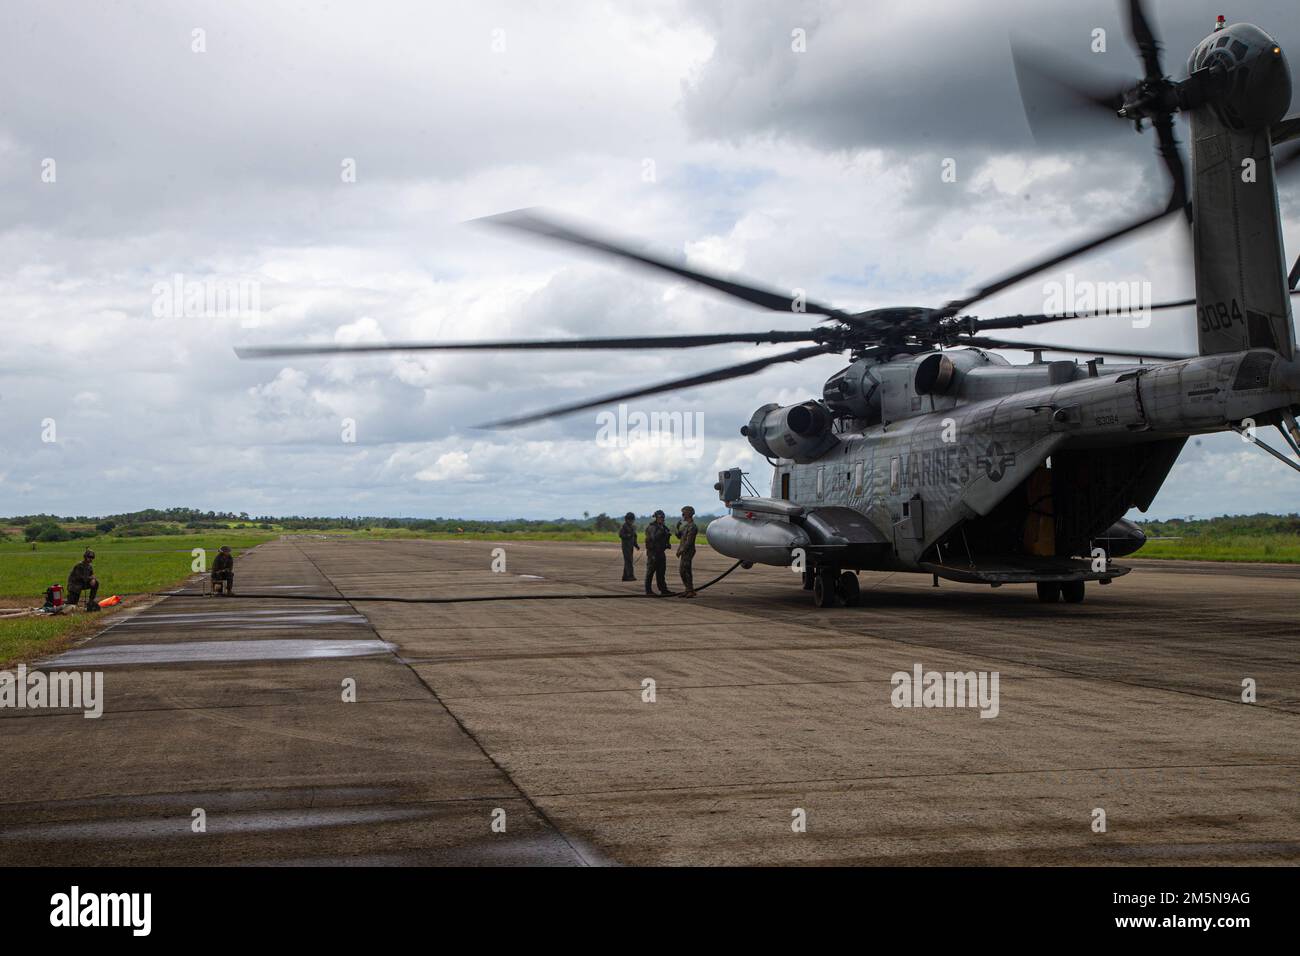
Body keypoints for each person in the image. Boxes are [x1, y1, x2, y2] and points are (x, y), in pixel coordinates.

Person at [643, 510, 674, 597]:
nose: (661, 519)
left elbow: (665, 537)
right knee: (650, 572)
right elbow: (653, 538)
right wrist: (662, 532)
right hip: (653, 553)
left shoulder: (663, 527)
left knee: (661, 572)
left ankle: (663, 589)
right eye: (660, 517)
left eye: (662, 517)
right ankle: (648, 590)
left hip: (661, 552)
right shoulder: (652, 527)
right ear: (656, 518)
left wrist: (667, 542)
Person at [676, 506, 698, 598]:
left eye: (684, 513)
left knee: (686, 570)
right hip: (684, 551)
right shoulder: (686, 526)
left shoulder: (693, 527)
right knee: (682, 571)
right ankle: (688, 589)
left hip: (688, 551)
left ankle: (690, 590)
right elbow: (679, 536)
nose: (682, 515)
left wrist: (681, 550)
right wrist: (677, 528)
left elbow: (689, 542)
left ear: (689, 514)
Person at [618, 512, 639, 581]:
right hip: (625, 546)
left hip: (630, 546)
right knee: (628, 561)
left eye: (632, 520)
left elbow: (634, 537)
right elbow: (621, 535)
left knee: (629, 561)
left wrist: (636, 545)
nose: (631, 521)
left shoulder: (632, 527)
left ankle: (625, 576)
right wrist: (628, 536)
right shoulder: (624, 527)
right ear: (626, 520)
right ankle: (629, 576)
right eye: (630, 520)